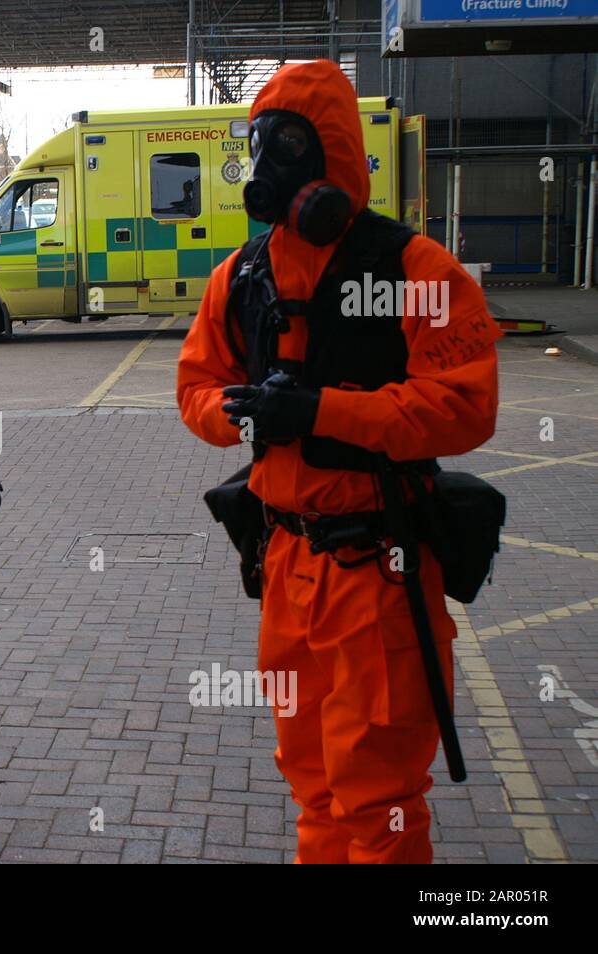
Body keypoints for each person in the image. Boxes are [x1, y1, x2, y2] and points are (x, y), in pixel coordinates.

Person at [177, 60, 502, 863]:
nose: (270, 164)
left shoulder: (414, 270)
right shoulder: (243, 275)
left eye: (291, 143)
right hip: (285, 563)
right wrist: (232, 412)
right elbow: (195, 383)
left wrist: (322, 411)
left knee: (378, 789)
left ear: (337, 156)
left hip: (378, 571)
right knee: (311, 774)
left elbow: (466, 406)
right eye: (261, 144)